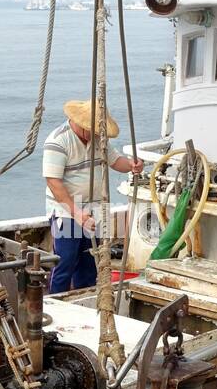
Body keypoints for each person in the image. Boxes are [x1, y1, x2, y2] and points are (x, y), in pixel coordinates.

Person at [43, 100, 142, 295]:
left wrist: (132, 165)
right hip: (68, 211)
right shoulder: (58, 141)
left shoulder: (99, 139)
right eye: (94, 130)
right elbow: (53, 182)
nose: (98, 134)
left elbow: (115, 161)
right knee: (66, 261)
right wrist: (77, 213)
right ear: (80, 124)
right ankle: (55, 302)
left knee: (90, 262)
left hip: (96, 208)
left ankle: (84, 301)